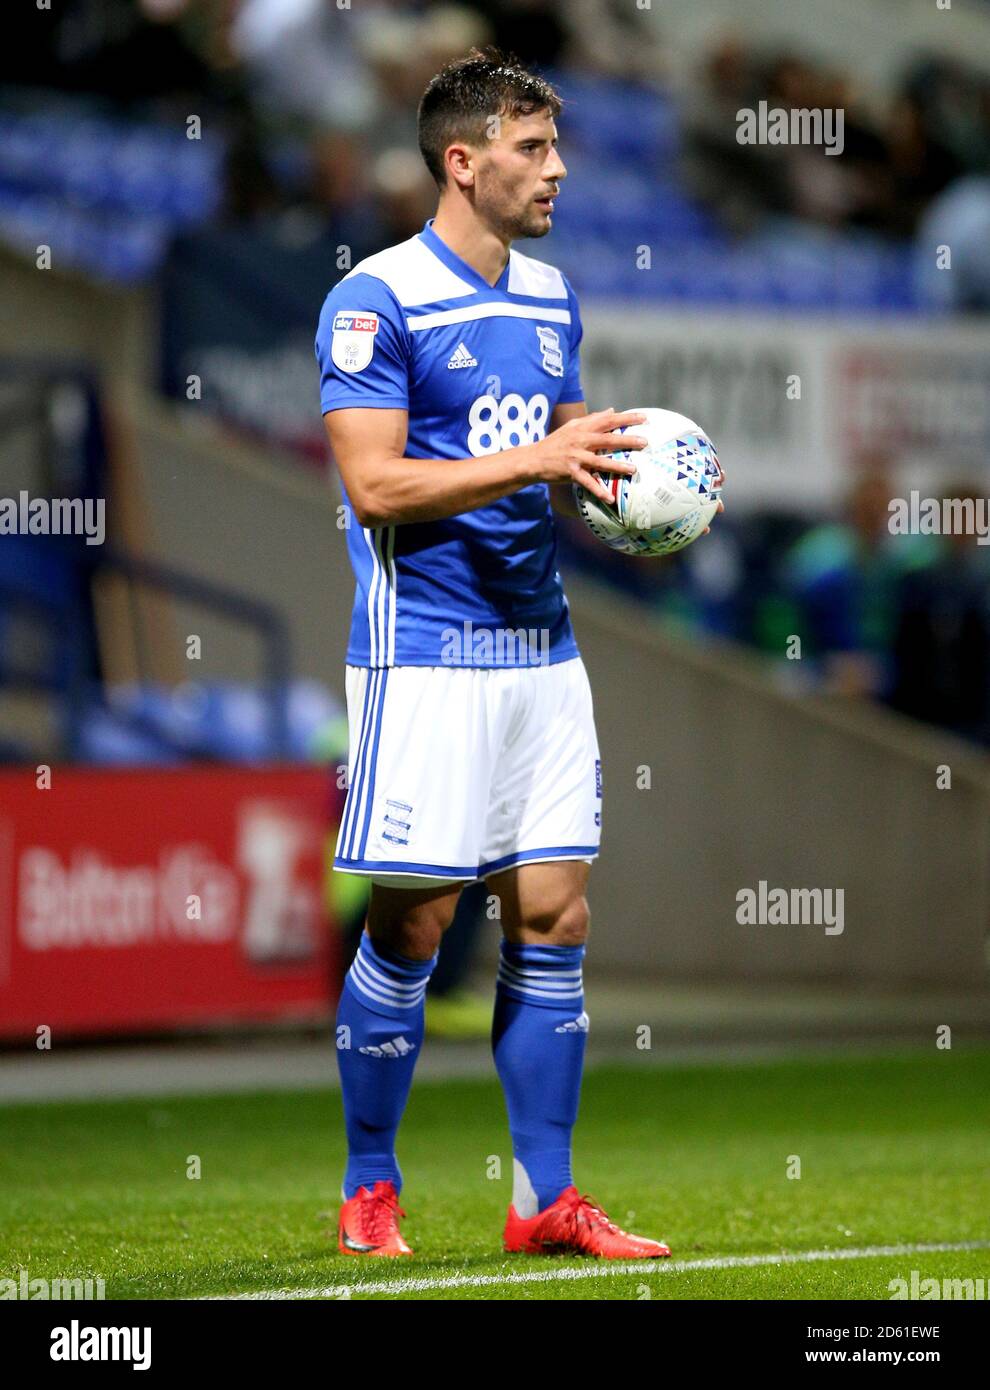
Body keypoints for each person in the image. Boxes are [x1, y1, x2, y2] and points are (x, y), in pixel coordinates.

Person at [314, 47, 687, 1260]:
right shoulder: (374, 300)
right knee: (415, 927)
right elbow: (375, 484)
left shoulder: (551, 296)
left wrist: (625, 478)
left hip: (541, 651)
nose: (558, 169)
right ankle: (371, 1183)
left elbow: (551, 443)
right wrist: (533, 460)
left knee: (557, 914)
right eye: (532, 149)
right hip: (423, 651)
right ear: (462, 161)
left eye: (559, 146)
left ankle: (544, 1197)